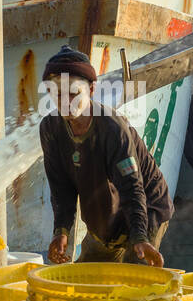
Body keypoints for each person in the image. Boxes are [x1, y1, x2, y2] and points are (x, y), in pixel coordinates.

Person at [40, 45, 173, 267]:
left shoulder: (113, 129)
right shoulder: (50, 128)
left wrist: (140, 237)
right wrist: (61, 231)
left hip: (145, 208)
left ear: (91, 90)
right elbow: (60, 186)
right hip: (104, 216)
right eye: (57, 94)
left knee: (132, 285)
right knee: (84, 282)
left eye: (73, 93)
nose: (65, 102)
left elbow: (132, 188)